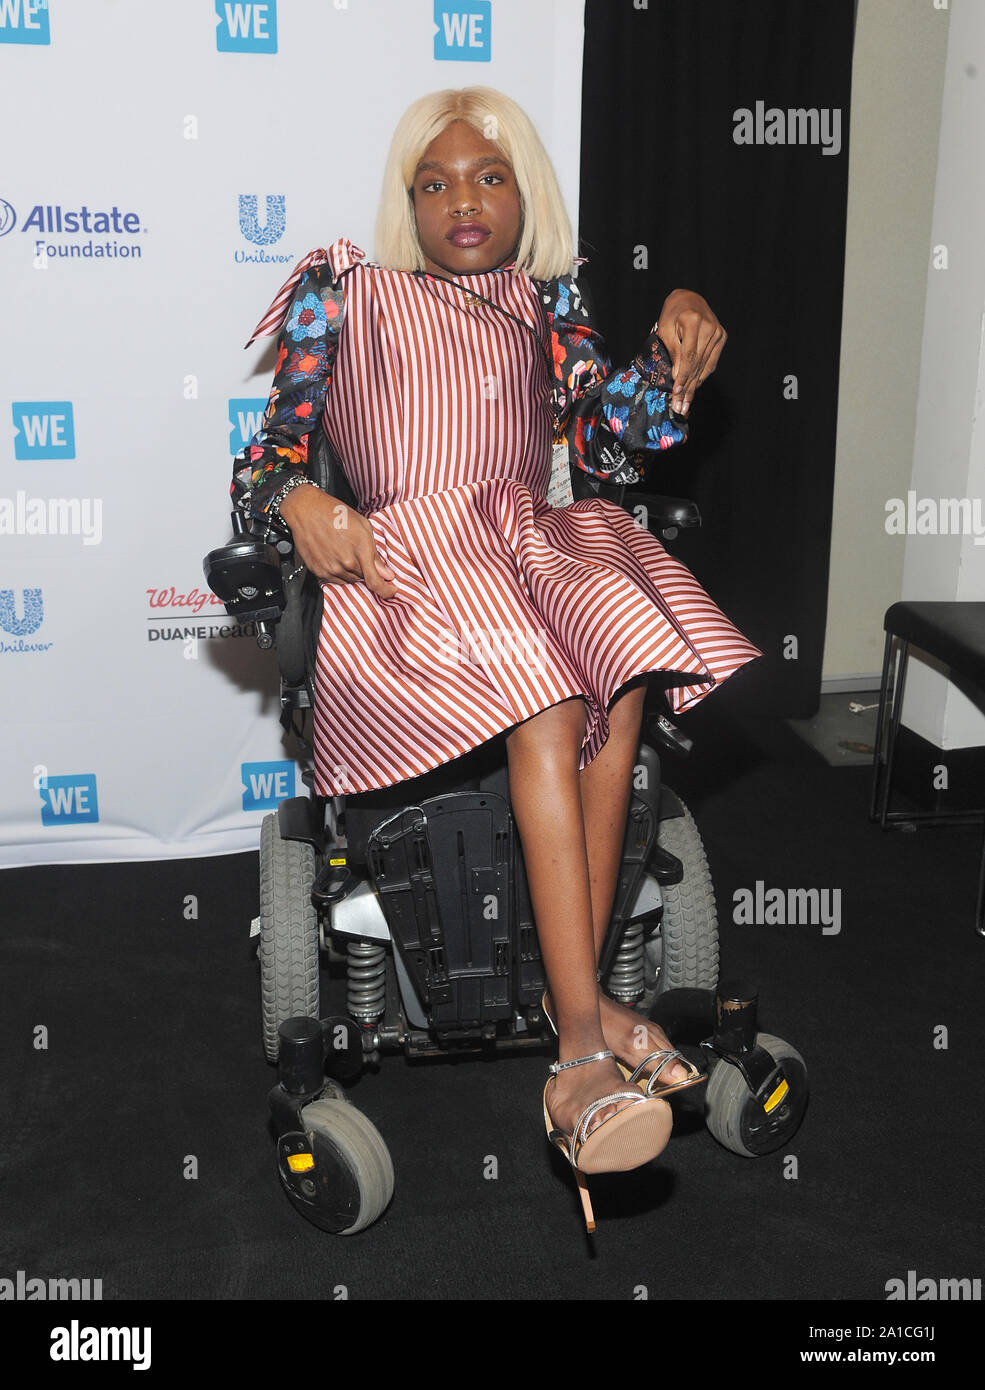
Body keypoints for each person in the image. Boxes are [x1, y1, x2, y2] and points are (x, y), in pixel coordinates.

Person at [233, 86, 761, 1231]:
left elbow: (606, 445)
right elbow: (262, 466)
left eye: (488, 176)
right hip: (407, 561)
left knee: (615, 664)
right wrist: (303, 498)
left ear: (525, 193)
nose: (462, 200)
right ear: (405, 204)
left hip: (524, 536)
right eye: (434, 182)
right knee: (545, 687)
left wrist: (671, 350)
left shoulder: (545, 301)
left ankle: (601, 1009)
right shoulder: (344, 294)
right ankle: (580, 1045)